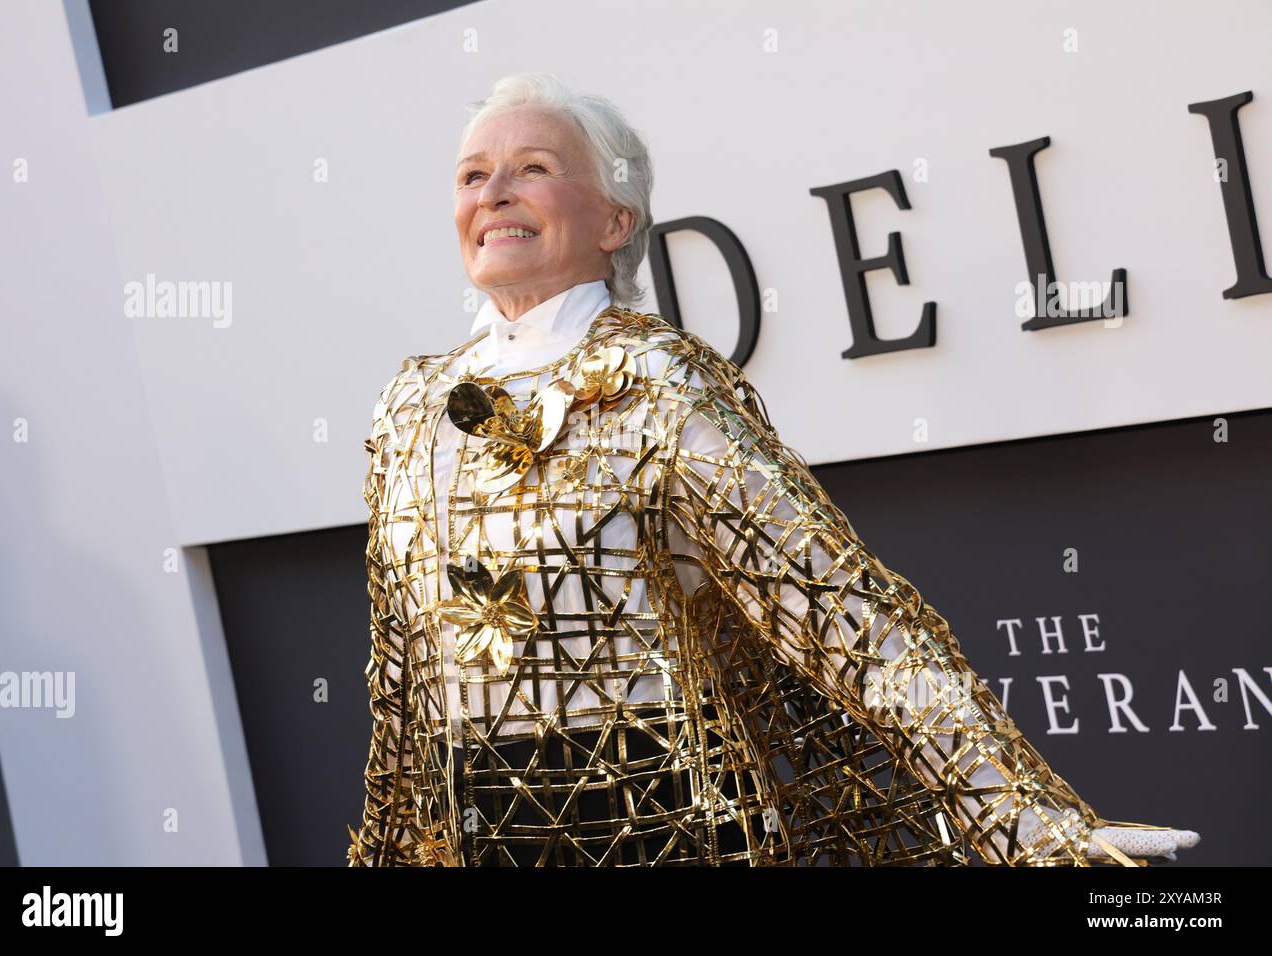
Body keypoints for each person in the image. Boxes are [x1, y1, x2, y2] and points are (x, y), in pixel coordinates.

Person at [346, 72, 1200, 867]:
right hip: (482, 833)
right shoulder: (410, 408)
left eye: (531, 168)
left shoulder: (664, 385)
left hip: (666, 821)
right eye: (471, 175)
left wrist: (1025, 822)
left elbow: (841, 614)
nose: (493, 193)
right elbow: (402, 699)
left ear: (616, 220)